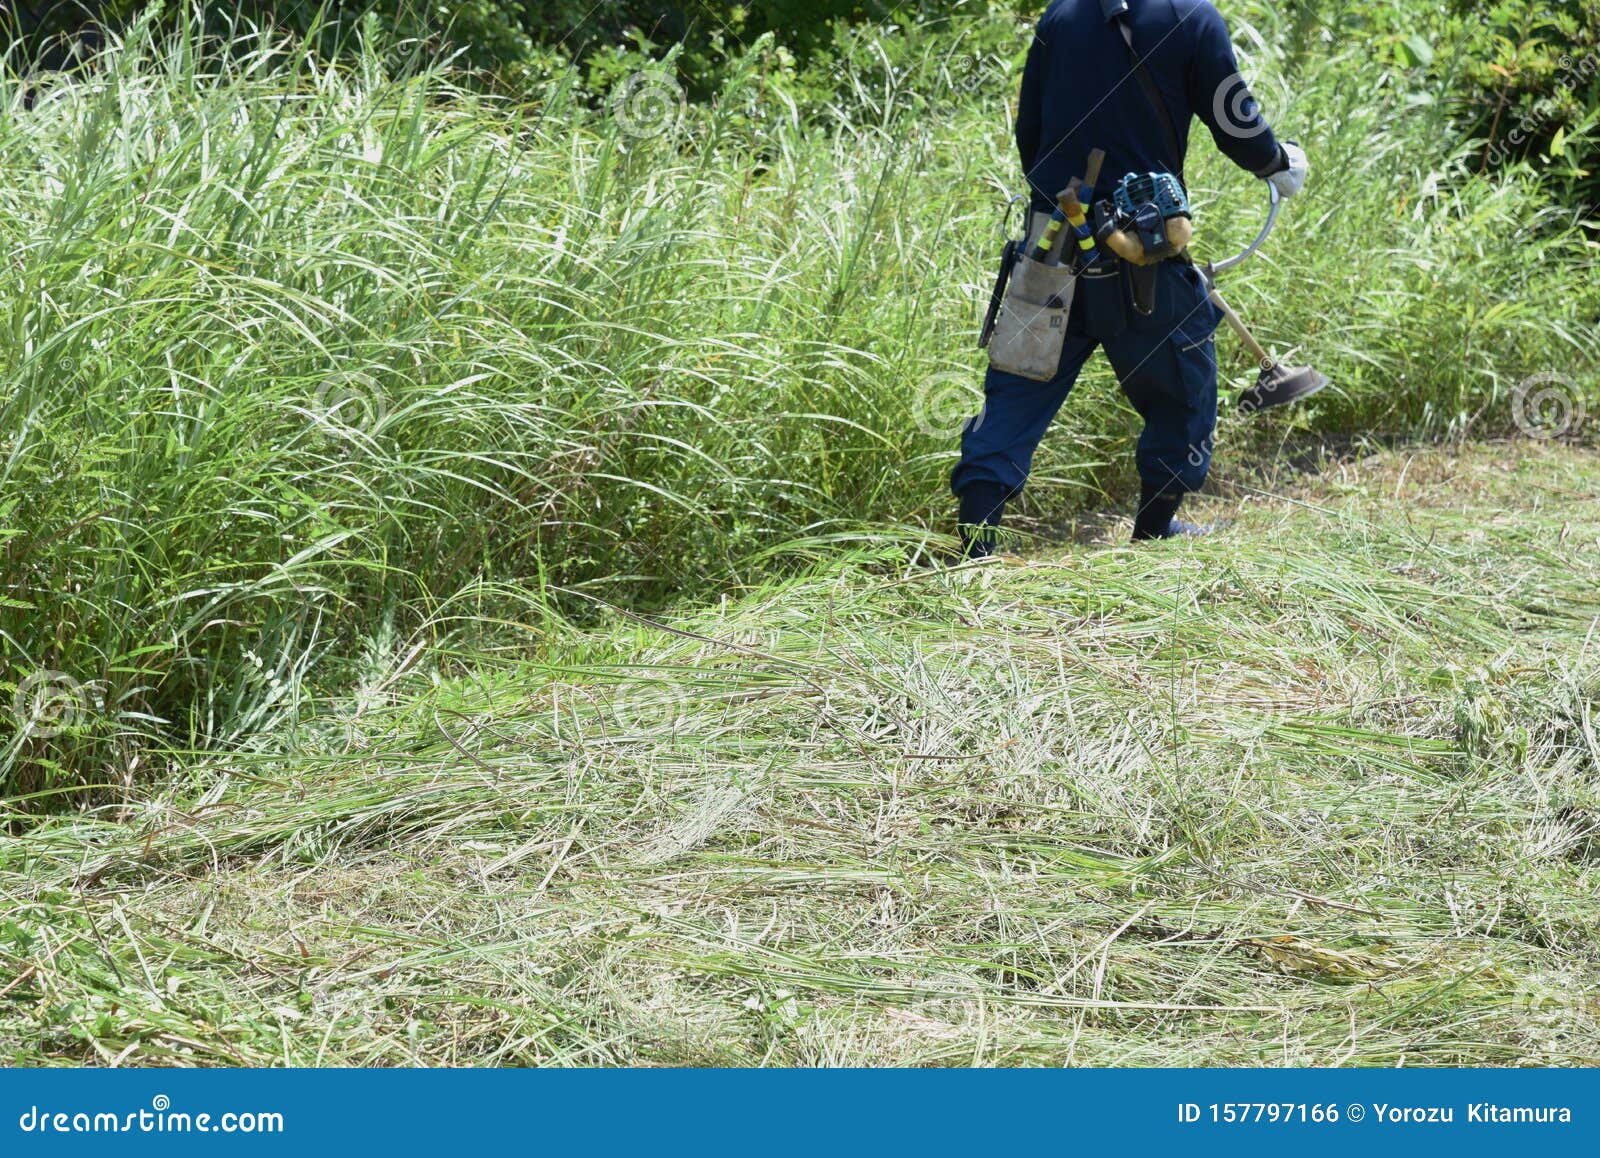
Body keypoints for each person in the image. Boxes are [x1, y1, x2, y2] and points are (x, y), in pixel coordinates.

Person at [952, 0, 1308, 555]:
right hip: (1144, 248)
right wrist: (1275, 162)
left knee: (1017, 390)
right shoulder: (1191, 16)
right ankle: (1154, 530)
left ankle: (974, 547)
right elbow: (1236, 122)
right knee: (1184, 391)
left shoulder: (1060, 16)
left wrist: (1060, 199)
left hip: (1049, 243)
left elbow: (1031, 134)